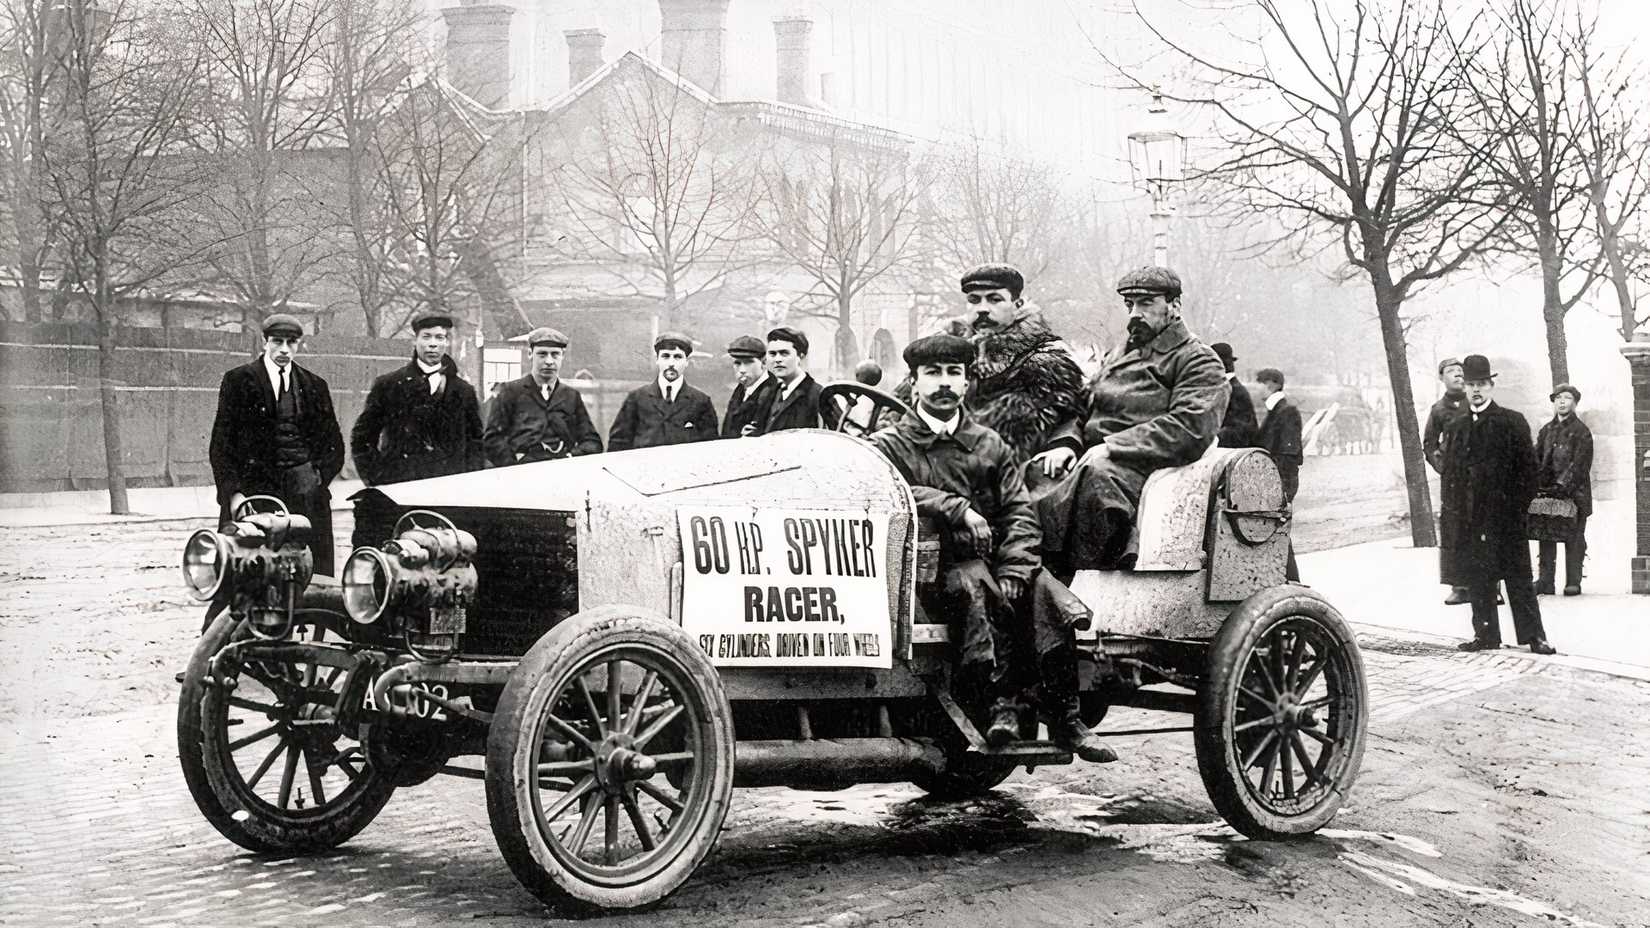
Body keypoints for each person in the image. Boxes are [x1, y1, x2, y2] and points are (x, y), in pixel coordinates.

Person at [870, 334, 1114, 763]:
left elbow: (1019, 512)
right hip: (932, 569)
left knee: (1047, 593)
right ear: (914, 382)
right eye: (932, 373)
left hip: (993, 559)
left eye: (954, 373)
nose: (944, 383)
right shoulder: (890, 444)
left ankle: (1066, 717)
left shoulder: (988, 443)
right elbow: (886, 489)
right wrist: (955, 507)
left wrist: (1017, 569)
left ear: (966, 383)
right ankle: (1000, 706)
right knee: (974, 586)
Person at [1033, 266, 1228, 574]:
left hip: (1146, 465)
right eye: (1130, 304)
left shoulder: (1197, 359)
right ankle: (1029, 571)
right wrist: (1066, 444)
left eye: (1146, 303)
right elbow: (1084, 406)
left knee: (1098, 483)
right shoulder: (1119, 353)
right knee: (1035, 471)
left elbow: (1191, 427)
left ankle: (1075, 580)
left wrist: (1113, 446)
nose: (1135, 314)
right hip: (1093, 456)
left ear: (1175, 306)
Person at [208, 313, 344, 576]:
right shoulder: (238, 381)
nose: (284, 349)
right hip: (254, 496)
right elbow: (221, 445)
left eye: (291, 342)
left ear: (299, 344)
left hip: (305, 497)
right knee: (245, 575)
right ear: (264, 342)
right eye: (277, 341)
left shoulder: (315, 385)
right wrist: (234, 494)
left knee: (312, 578)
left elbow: (333, 446)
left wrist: (316, 480)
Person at [1440, 355, 1556, 655]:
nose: (1476, 390)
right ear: (1464, 388)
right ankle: (1486, 635)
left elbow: (1529, 473)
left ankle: (1535, 637)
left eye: (1481, 384)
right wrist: (1455, 515)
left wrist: (1516, 510)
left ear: (1491, 386)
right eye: (1470, 385)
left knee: (1519, 578)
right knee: (1479, 579)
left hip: (1506, 519)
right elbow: (1451, 476)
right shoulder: (1456, 426)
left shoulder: (1511, 422)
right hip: (1471, 519)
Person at [350, 307, 484, 490]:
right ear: (415, 340)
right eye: (426, 337)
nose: (433, 344)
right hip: (400, 487)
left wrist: (467, 481)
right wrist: (378, 479)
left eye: (439, 337)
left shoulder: (463, 391)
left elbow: (476, 442)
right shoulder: (389, 385)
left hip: (449, 490)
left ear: (447, 342)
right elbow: (362, 438)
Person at [483, 327, 602, 466]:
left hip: (562, 472)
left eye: (555, 354)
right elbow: (492, 439)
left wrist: (571, 457)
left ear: (562, 356)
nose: (549, 361)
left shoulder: (571, 396)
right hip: (521, 472)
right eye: (542, 354)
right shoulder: (510, 392)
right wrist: (514, 464)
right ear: (530, 354)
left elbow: (592, 442)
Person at [608, 332, 720, 451]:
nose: (671, 363)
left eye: (678, 357)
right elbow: (618, 443)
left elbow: (710, 448)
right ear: (657, 359)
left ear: (687, 361)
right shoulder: (636, 398)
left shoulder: (701, 401)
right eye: (666, 356)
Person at [1534, 383, 1593, 596]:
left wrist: (1563, 485)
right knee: (1546, 536)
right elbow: (1537, 458)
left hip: (1575, 494)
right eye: (1558, 398)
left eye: (1567, 398)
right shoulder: (1546, 431)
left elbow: (1580, 464)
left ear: (1575, 403)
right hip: (1548, 494)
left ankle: (1573, 582)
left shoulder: (1581, 432)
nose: (1562, 402)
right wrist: (1536, 483)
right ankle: (1545, 581)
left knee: (1574, 537)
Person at [1424, 357, 1473, 605]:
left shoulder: (1475, 402)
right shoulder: (1438, 410)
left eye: (1460, 371)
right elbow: (1429, 444)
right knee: (1454, 529)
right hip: (1453, 481)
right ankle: (1459, 585)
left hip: (1478, 477)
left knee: (1483, 526)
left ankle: (1490, 584)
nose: (1457, 374)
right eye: (1451, 371)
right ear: (1442, 378)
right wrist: (1443, 466)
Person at [1256, 368, 1303, 581]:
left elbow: (1288, 454)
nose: (1257, 388)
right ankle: (1287, 580)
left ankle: (1292, 580)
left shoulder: (1287, 412)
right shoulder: (1276, 411)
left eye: (1260, 383)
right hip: (1276, 481)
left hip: (1281, 481)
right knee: (1276, 532)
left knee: (1279, 531)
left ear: (1272, 385)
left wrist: (1279, 490)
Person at [762, 326, 824, 432]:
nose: (777, 359)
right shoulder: (769, 393)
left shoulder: (819, 394)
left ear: (801, 356)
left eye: (784, 353)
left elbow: (838, 435)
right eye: (772, 354)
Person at [720, 335, 778, 438]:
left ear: (764, 362)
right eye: (737, 363)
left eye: (748, 363)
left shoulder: (776, 392)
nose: (742, 370)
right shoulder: (741, 389)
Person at [1212, 343, 1259, 448]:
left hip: (1235, 452)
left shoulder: (1235, 391)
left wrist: (1213, 438)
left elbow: (1241, 430)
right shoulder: (1230, 388)